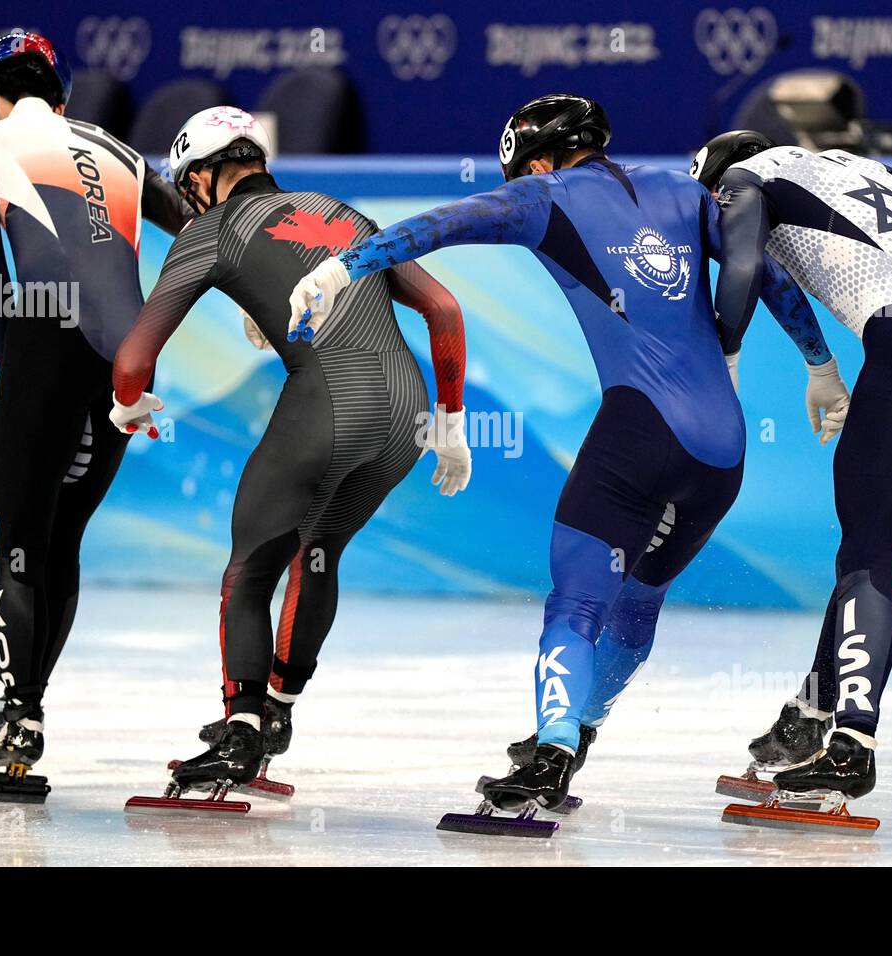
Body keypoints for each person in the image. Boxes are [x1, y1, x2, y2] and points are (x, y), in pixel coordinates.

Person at [288, 95, 848, 813]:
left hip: (638, 434)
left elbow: (439, 228)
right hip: (722, 452)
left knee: (577, 605)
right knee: (639, 604)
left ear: (540, 160)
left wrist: (342, 268)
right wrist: (822, 367)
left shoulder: (541, 194)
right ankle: (581, 729)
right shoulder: (684, 189)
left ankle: (551, 751)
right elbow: (763, 272)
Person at [109, 106, 471, 790]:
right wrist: (450, 422)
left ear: (206, 177)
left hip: (329, 401)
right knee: (318, 550)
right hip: (405, 412)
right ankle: (276, 711)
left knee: (249, 569)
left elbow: (135, 354)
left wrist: (129, 400)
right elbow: (445, 308)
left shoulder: (214, 228)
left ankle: (239, 730)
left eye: (189, 186)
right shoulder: (343, 210)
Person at [698, 130, 892, 800]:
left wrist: (725, 357)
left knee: (867, 559)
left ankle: (851, 746)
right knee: (872, 556)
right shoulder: (860, 167)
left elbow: (742, 264)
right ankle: (812, 714)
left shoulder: (744, 182)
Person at [0, 30, 192, 790]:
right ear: (61, 97)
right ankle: (25, 707)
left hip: (45, 349)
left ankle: (18, 713)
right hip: (129, 357)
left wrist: (22, 393)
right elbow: (205, 229)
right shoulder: (118, 149)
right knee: (65, 540)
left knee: (21, 537)